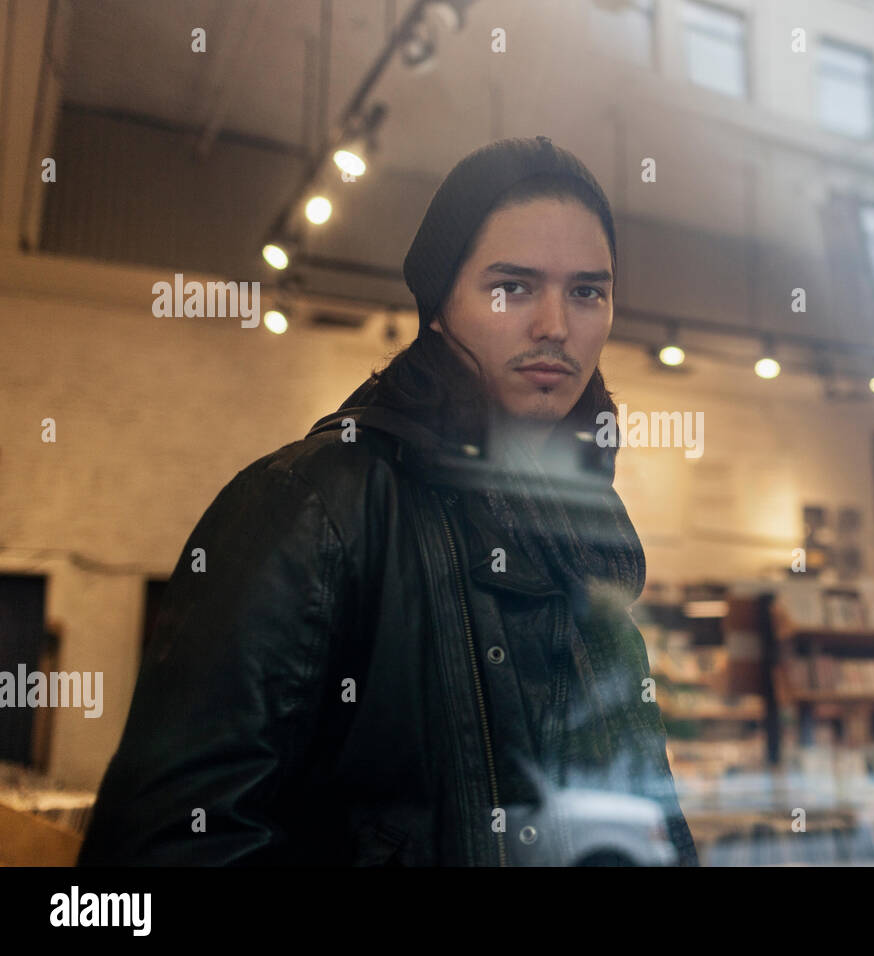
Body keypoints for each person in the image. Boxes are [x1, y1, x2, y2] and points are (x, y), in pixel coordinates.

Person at [77, 135, 699, 867]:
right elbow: (168, 844)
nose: (555, 326)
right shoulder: (313, 507)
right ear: (438, 304)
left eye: (587, 291)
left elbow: (641, 815)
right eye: (513, 287)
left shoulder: (587, 535)